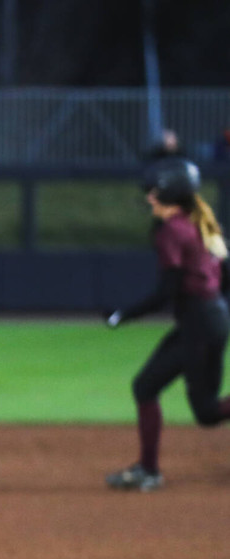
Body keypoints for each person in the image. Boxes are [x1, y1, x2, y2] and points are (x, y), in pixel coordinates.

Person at [103, 157, 230, 492]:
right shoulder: (200, 224)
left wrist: (123, 315)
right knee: (206, 412)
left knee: (147, 388)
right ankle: (148, 469)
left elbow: (167, 292)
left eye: (154, 192)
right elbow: (224, 278)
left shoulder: (172, 231)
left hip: (200, 325)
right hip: (208, 321)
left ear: (170, 194)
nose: (149, 198)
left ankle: (148, 470)